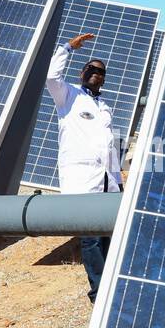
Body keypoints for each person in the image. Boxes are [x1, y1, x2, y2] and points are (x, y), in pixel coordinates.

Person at [44, 31, 120, 301]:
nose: (95, 72)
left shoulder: (105, 107)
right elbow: (51, 76)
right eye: (90, 68)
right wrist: (68, 46)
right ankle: (99, 293)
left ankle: (114, 284)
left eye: (100, 71)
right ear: (81, 73)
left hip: (108, 181)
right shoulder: (67, 96)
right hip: (82, 180)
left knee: (111, 236)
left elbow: (109, 144)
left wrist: (118, 179)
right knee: (91, 239)